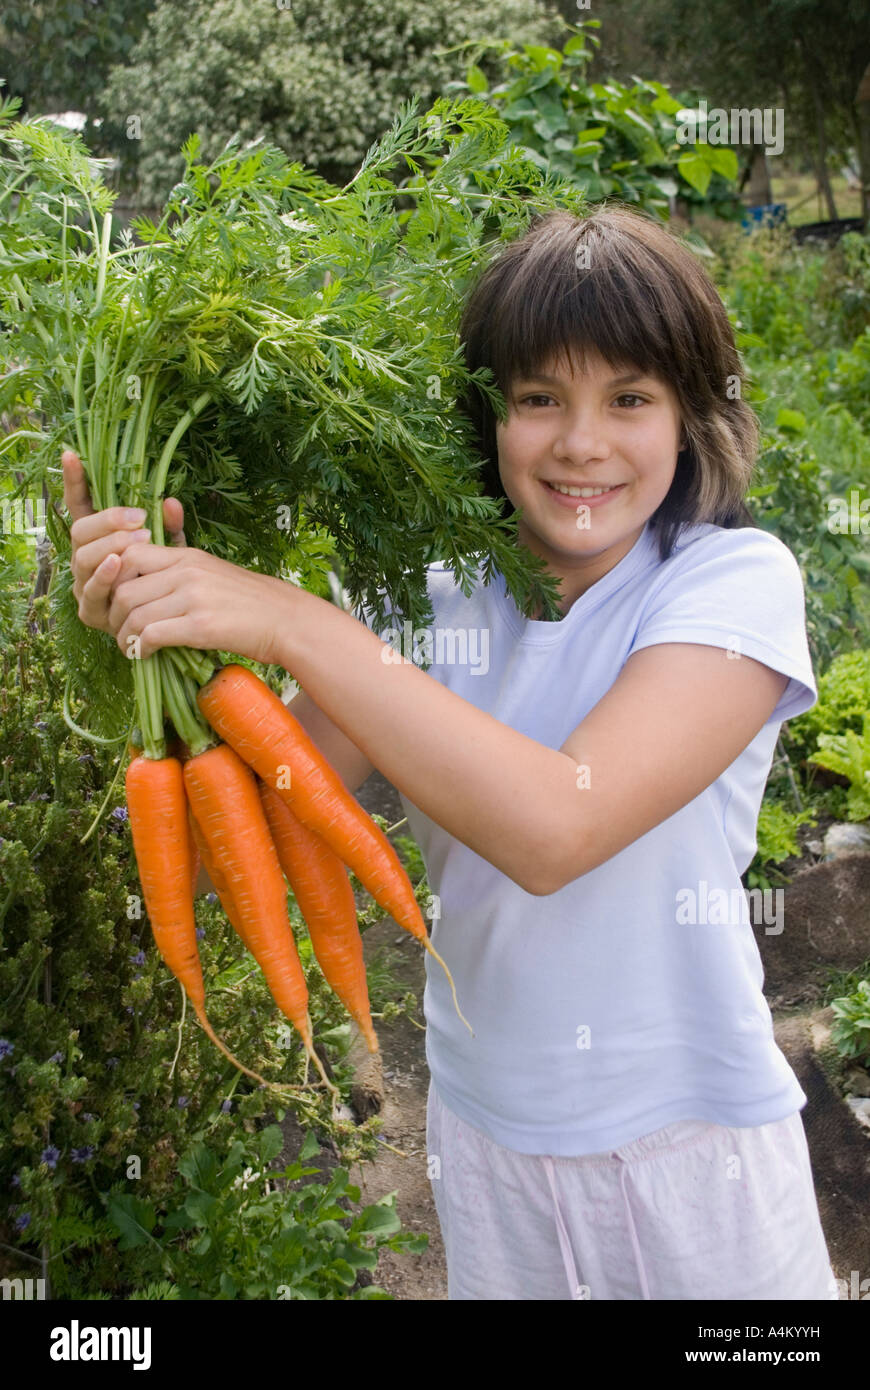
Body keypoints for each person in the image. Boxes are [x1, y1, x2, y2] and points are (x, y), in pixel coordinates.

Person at [63, 204, 839, 1302]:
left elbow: (558, 825)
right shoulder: (415, 595)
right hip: (487, 1144)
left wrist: (291, 620)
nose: (581, 442)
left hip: (694, 1150)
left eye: (630, 398)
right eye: (537, 399)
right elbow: (245, 829)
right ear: (486, 419)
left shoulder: (728, 583)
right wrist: (160, 636)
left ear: (690, 414)